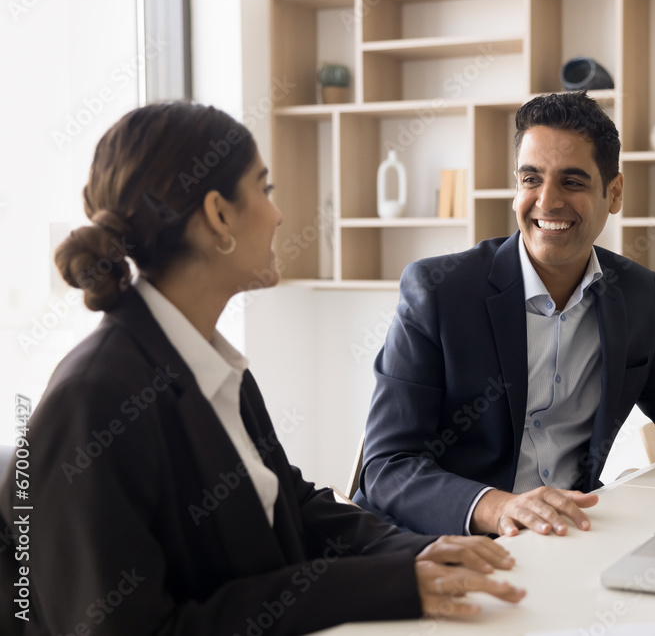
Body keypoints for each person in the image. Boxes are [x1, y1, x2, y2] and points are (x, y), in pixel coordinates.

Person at [0, 102, 523, 636]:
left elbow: (290, 504)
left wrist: (422, 554)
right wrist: (379, 585)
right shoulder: (93, 399)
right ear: (219, 215)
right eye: (264, 189)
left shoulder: (214, 366)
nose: (277, 215)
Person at [354, 91, 655, 537]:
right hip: (436, 541)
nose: (547, 201)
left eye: (572, 182)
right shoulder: (439, 291)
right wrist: (500, 508)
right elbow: (388, 467)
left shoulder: (637, 294)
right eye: (531, 179)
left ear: (614, 193)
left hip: (563, 538)